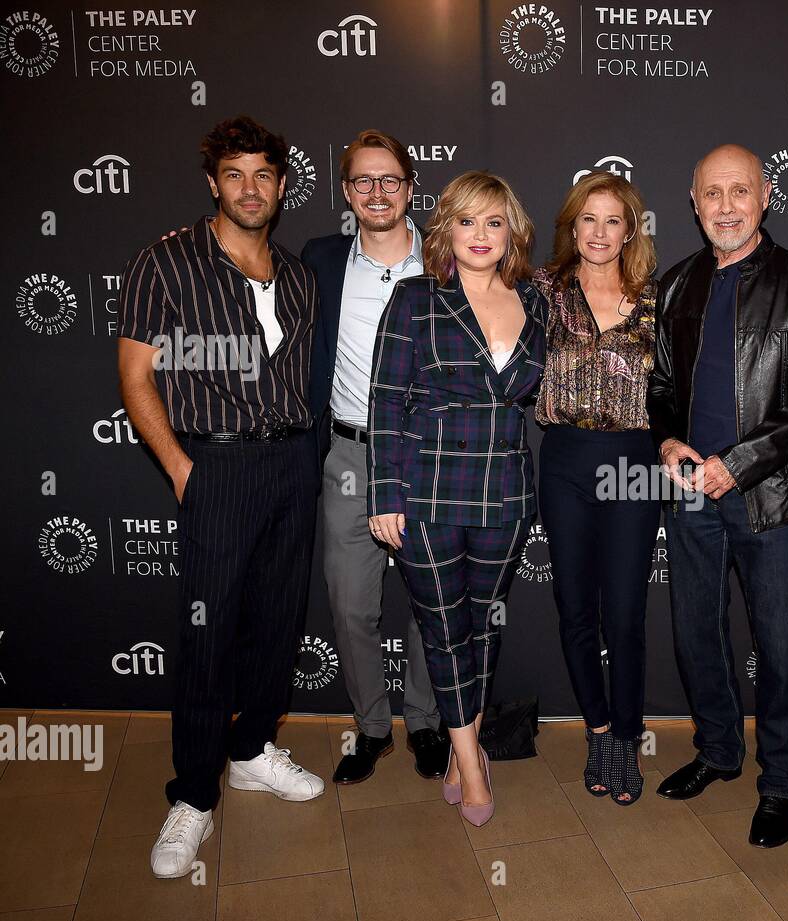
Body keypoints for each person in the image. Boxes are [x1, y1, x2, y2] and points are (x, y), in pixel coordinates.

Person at [118, 115, 324, 879]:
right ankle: (194, 795)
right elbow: (137, 378)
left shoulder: (299, 275)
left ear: (280, 185)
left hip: (293, 463)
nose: (250, 188)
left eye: (263, 175)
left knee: (277, 619)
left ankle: (250, 752)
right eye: (234, 174)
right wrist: (180, 467)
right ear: (213, 182)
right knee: (208, 637)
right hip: (218, 468)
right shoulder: (165, 263)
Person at [649, 144, 788, 848]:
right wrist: (667, 442)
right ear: (693, 204)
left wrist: (742, 461)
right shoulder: (675, 285)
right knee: (696, 634)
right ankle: (719, 752)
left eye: (740, 191)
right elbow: (661, 392)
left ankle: (784, 780)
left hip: (769, 497)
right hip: (690, 494)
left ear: (765, 196)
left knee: (780, 646)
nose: (726, 206)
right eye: (712, 194)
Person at [367, 171, 547, 828]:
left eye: (494, 222)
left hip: (504, 492)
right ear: (446, 229)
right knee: (443, 632)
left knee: (484, 627)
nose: (480, 235)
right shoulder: (417, 298)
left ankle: (460, 747)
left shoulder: (536, 300)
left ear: (511, 232)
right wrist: (385, 491)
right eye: (467, 221)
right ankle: (471, 766)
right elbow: (385, 399)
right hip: (427, 492)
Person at [301, 130, 448, 786]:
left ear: (412, 188)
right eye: (364, 181)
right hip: (350, 454)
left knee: (428, 600)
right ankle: (369, 725)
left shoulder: (448, 260)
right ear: (346, 192)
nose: (378, 192)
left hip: (427, 458)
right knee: (350, 601)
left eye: (391, 179)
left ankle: (424, 720)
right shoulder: (321, 260)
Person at [533, 172, 660, 806]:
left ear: (630, 228)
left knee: (628, 613)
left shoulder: (655, 298)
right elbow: (470, 292)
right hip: (566, 460)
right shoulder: (541, 291)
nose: (600, 232)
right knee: (577, 608)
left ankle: (629, 736)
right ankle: (600, 730)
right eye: (589, 219)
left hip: (635, 462)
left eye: (613, 220)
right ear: (572, 226)